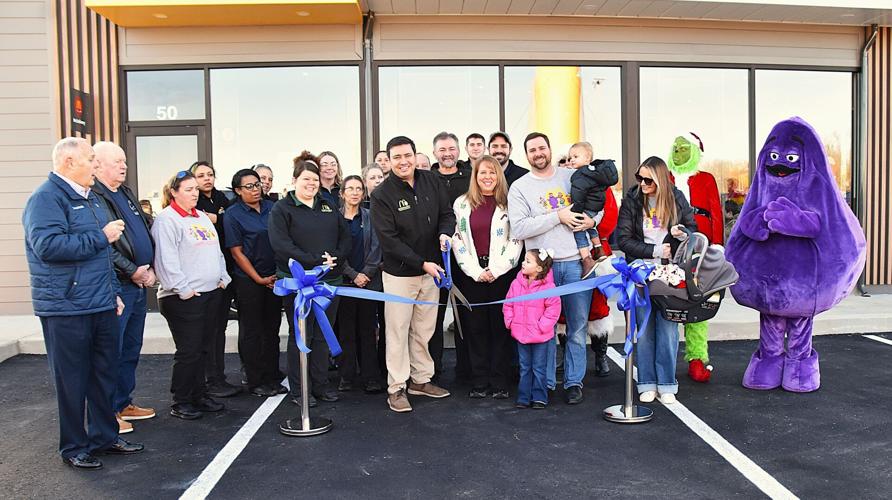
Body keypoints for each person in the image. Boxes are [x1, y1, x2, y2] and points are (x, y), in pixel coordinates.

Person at [24, 137, 143, 469]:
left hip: (99, 303)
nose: (95, 165)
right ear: (67, 163)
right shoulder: (46, 198)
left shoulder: (90, 199)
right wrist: (100, 236)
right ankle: (75, 447)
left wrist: (111, 293)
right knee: (72, 380)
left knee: (103, 373)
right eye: (90, 159)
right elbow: (48, 247)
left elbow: (102, 257)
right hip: (66, 307)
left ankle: (104, 437)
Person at [507, 132, 595, 405]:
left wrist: (592, 222)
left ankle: (573, 381)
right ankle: (544, 382)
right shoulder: (520, 187)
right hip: (540, 271)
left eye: (542, 148)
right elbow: (520, 227)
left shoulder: (570, 177)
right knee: (542, 329)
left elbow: (596, 204)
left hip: (573, 263)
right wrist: (558, 216)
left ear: (549, 149)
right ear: (527, 155)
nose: (538, 153)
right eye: (532, 150)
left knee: (577, 327)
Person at [371, 136, 455, 413]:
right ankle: (396, 387)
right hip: (401, 275)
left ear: (415, 155)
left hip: (431, 272)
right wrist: (422, 264)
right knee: (397, 332)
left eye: (407, 155)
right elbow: (389, 241)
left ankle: (421, 380)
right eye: (397, 157)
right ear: (389, 160)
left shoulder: (431, 180)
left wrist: (445, 232)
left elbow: (447, 214)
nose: (403, 161)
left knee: (424, 330)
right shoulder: (381, 195)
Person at [269, 159, 350, 406]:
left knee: (322, 335)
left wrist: (334, 259)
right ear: (294, 181)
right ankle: (300, 390)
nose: (311, 184)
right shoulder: (282, 209)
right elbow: (282, 246)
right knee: (301, 336)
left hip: (328, 283)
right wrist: (315, 261)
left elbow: (345, 238)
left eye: (315, 180)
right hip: (299, 285)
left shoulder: (328, 205)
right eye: (306, 179)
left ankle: (322, 385)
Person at [616, 156, 697, 404]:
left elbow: (692, 230)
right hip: (641, 271)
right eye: (639, 178)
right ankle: (647, 382)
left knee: (668, 328)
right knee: (646, 327)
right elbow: (623, 239)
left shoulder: (676, 197)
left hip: (670, 274)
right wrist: (654, 251)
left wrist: (681, 234)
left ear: (660, 179)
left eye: (648, 179)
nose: (642, 183)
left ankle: (667, 383)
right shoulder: (631, 200)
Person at [153, 170, 233, 419]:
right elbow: (166, 260)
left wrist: (223, 277)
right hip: (183, 298)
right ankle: (182, 400)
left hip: (210, 293)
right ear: (173, 192)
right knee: (189, 351)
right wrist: (183, 289)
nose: (194, 193)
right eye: (188, 189)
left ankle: (200, 395)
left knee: (204, 348)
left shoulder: (201, 217)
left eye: (196, 189)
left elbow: (216, 252)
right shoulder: (167, 220)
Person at [92, 141, 157, 434]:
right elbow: (106, 246)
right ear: (97, 165)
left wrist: (151, 266)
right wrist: (133, 271)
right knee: (112, 350)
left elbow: (141, 230)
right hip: (119, 284)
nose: (124, 165)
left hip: (139, 283)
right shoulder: (96, 197)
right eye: (117, 161)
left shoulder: (126, 193)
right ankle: (108, 413)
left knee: (131, 347)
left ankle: (123, 402)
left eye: (124, 161)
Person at [452, 155, 523, 398]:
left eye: (492, 172)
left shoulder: (509, 203)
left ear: (499, 176)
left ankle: (499, 383)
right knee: (476, 329)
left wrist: (496, 270)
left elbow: (516, 241)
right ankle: (480, 382)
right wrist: (476, 271)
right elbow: (458, 241)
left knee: (500, 329)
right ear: (475, 175)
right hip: (472, 276)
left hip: (502, 275)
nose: (488, 177)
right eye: (483, 172)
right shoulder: (461, 204)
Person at [224, 169, 285, 397]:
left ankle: (271, 374)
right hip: (249, 280)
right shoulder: (232, 214)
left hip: (275, 277)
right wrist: (258, 278)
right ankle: (255, 379)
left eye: (257, 184)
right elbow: (237, 252)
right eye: (248, 186)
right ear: (238, 191)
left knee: (272, 328)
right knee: (252, 331)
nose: (255, 189)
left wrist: (277, 274)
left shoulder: (272, 208)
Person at [190, 161, 240, 398]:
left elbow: (228, 220)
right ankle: (208, 380)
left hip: (224, 273)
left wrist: (218, 218)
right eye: (200, 176)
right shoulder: (193, 202)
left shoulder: (222, 198)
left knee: (219, 328)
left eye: (210, 174)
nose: (206, 179)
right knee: (206, 332)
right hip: (203, 275)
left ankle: (217, 377)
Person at [430, 131, 472, 382]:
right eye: (442, 150)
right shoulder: (426, 179)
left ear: (458, 151)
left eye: (451, 149)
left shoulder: (470, 178)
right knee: (432, 317)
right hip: (435, 259)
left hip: (466, 259)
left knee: (465, 315)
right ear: (435, 153)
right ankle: (432, 369)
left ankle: (466, 369)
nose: (447, 154)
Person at [336, 175, 384, 394]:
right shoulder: (334, 219)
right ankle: (346, 376)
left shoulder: (371, 216)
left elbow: (377, 247)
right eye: (350, 188)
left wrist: (366, 273)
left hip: (368, 284)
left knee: (367, 331)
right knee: (346, 331)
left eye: (358, 189)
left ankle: (370, 377)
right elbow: (333, 251)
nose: (355, 192)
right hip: (343, 282)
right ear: (342, 193)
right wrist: (352, 274)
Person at [504, 249, 561, 409]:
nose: (523, 263)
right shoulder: (516, 284)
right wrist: (510, 321)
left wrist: (541, 327)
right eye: (524, 260)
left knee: (538, 367)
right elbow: (508, 303)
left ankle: (539, 397)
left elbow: (553, 310)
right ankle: (523, 397)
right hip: (521, 335)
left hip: (540, 337)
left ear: (539, 269)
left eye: (528, 261)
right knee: (525, 367)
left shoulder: (549, 288)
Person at [566, 141, 619, 277]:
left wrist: (593, 223)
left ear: (587, 158)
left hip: (592, 248)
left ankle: (588, 258)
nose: (569, 162)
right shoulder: (588, 177)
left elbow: (609, 214)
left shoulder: (585, 178)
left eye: (574, 157)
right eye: (566, 159)